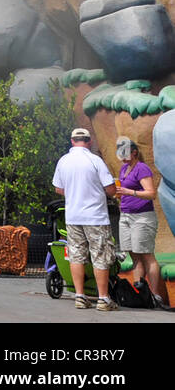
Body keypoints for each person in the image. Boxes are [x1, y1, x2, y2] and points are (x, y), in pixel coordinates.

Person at [52, 128, 118, 311]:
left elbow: (58, 188)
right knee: (100, 255)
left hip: (73, 217)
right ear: (89, 142)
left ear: (72, 141)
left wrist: (75, 193)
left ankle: (80, 297)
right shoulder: (95, 160)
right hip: (95, 217)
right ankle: (103, 299)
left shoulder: (63, 161)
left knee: (76, 256)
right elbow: (111, 189)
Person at [115, 137, 166, 307]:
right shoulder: (124, 169)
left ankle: (156, 296)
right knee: (134, 255)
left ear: (134, 153)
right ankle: (140, 292)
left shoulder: (142, 168)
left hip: (142, 217)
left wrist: (129, 192)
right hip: (126, 216)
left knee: (146, 255)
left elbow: (151, 193)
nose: (121, 157)